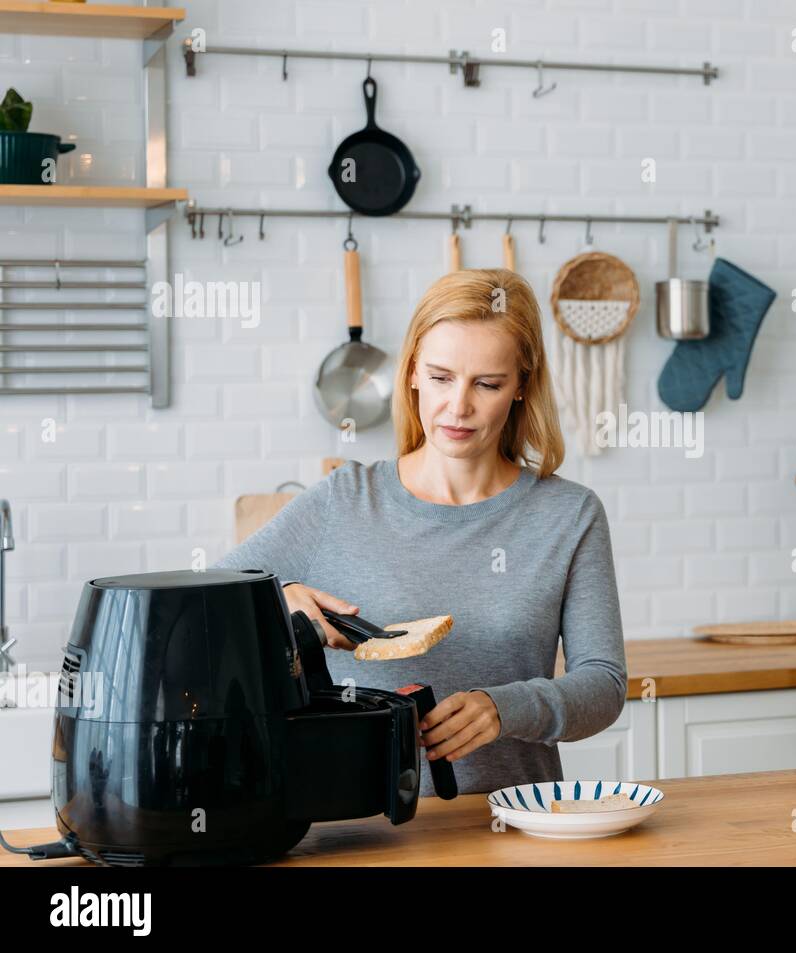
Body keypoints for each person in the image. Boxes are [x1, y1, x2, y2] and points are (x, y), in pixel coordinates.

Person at [215, 268, 627, 795]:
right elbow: (203, 609)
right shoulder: (343, 499)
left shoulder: (569, 516)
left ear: (522, 385)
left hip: (513, 823)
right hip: (358, 831)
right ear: (410, 373)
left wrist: (505, 707)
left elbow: (605, 686)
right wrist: (279, 604)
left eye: (487, 383)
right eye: (440, 377)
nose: (458, 406)